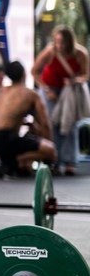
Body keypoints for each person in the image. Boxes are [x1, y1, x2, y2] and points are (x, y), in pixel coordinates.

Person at [31, 26, 89, 175]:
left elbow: (85, 74)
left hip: (68, 93)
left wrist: (74, 80)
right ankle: (54, 160)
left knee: (70, 125)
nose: (59, 45)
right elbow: (35, 71)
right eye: (56, 41)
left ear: (69, 42)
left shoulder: (80, 54)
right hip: (50, 91)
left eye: (62, 42)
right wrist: (46, 89)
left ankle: (70, 161)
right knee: (52, 125)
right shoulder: (50, 52)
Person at [0, 62, 57, 174]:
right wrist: (49, 146)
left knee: (18, 141)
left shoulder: (0, 92)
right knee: (51, 151)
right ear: (24, 75)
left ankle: (6, 160)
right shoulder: (31, 94)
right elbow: (45, 124)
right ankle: (16, 160)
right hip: (4, 138)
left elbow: (1, 119)